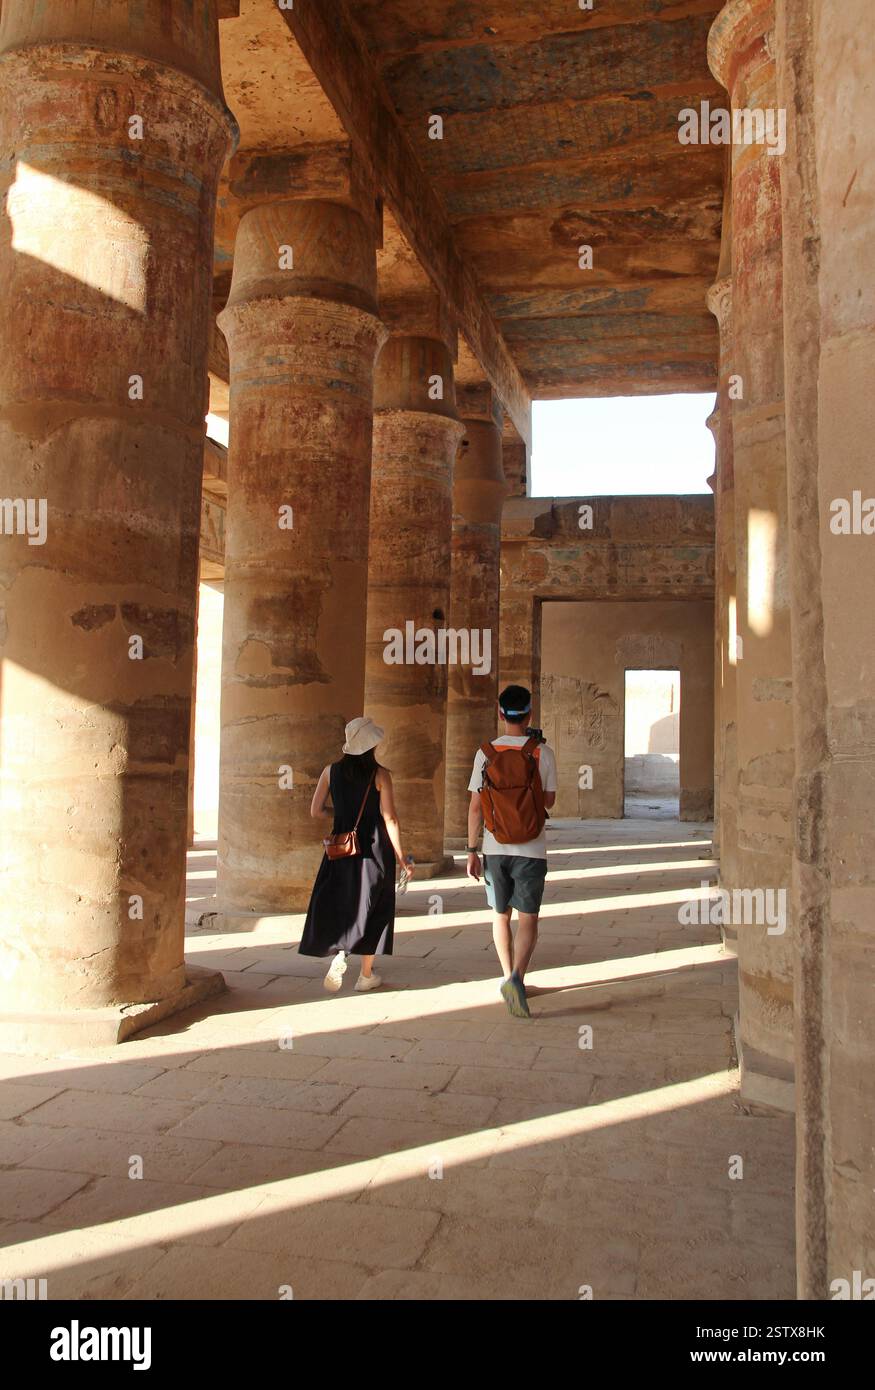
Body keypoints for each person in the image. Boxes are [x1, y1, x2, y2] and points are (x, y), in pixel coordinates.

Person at [300, 716, 413, 993]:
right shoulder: (380, 774)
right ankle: (365, 975)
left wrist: (342, 816)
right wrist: (402, 859)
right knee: (375, 906)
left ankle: (340, 952)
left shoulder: (330, 771)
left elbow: (316, 811)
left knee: (343, 901)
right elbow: (391, 819)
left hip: (340, 848)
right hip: (373, 848)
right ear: (372, 745)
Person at [466, 685, 557, 1019]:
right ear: (529, 714)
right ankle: (519, 977)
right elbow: (548, 802)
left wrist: (471, 850)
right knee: (529, 917)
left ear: (500, 713)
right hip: (532, 848)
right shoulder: (541, 753)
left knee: (500, 915)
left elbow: (476, 806)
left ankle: (506, 975)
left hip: (495, 847)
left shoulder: (485, 753)